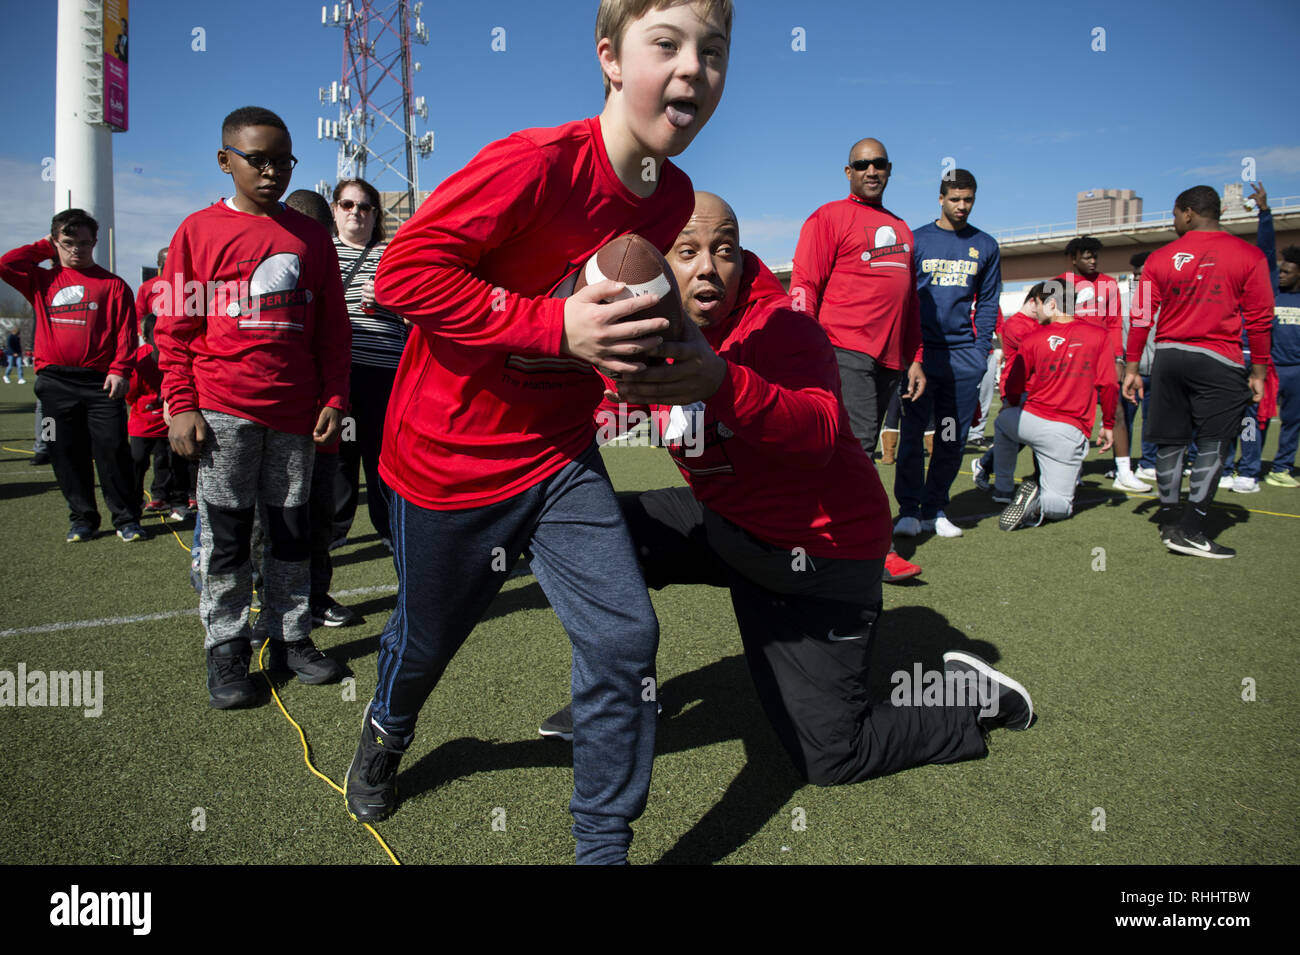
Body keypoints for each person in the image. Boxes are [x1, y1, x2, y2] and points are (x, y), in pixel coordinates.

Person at [342, 0, 731, 866]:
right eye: (665, 43)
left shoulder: (671, 199)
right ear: (610, 58)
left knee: (627, 636)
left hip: (559, 457)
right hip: (444, 462)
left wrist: (653, 354)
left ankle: (602, 849)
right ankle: (387, 727)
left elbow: (612, 314)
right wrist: (557, 330)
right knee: (426, 641)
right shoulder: (535, 163)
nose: (692, 68)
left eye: (712, 50)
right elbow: (404, 273)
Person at [537, 192, 1033, 783]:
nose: (707, 267)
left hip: (819, 555)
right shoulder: (649, 329)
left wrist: (723, 381)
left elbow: (821, 431)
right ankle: (621, 692)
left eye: (723, 250)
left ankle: (971, 697)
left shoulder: (784, 328)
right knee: (574, 529)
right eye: (686, 250)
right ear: (656, 264)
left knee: (832, 756)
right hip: (726, 521)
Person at [157, 106, 351, 707]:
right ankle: (227, 647)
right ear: (225, 161)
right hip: (222, 411)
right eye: (257, 160)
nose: (271, 171)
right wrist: (180, 402)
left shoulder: (312, 236)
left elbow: (333, 332)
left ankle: (291, 633)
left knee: (292, 531)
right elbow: (174, 327)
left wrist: (335, 397)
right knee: (228, 533)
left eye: (283, 161)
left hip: (295, 414)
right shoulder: (197, 231)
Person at [791, 138, 923, 581]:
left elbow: (911, 303)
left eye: (879, 163)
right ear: (848, 172)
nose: (871, 170)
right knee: (862, 451)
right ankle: (873, 550)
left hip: (890, 359)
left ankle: (818, 531)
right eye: (861, 164)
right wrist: (802, 344)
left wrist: (915, 357)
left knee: (843, 451)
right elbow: (805, 282)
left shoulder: (902, 229)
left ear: (889, 170)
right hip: (844, 348)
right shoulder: (829, 216)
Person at [1123, 185, 1273, 559]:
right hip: (1218, 361)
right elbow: (1259, 318)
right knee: (1212, 445)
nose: (1174, 222)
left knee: (1171, 442)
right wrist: (1259, 371)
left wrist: (1130, 367)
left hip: (1169, 359)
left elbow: (1141, 316)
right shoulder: (1249, 255)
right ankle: (1190, 529)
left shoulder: (1159, 258)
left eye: (1175, 215)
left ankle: (1172, 522)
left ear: (1188, 212)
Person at [1, 209, 144, 542]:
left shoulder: (113, 285)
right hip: (53, 386)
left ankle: (126, 518)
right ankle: (82, 519)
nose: (77, 249)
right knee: (59, 449)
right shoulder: (41, 280)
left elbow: (125, 333)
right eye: (68, 242)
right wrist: (43, 248)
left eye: (83, 242)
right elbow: (5, 264)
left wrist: (120, 370)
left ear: (94, 242)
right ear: (56, 243)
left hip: (100, 387)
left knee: (113, 451)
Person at [895, 168, 1000, 539]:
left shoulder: (985, 245)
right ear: (940, 199)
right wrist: (909, 353)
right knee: (911, 434)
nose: (961, 206)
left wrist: (980, 350)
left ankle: (935, 506)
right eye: (954, 199)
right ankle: (908, 509)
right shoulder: (917, 240)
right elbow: (904, 298)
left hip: (963, 360)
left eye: (968, 199)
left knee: (950, 437)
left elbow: (988, 302)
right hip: (921, 358)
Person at [283, 187, 355, 627]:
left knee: (318, 512)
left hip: (320, 415)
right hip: (272, 414)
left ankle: (317, 595)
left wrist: (335, 399)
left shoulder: (328, 274)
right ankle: (270, 603)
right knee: (272, 518)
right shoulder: (271, 268)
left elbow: (337, 343)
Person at [994, 279, 1116, 530]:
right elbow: (1110, 385)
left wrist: (1010, 405)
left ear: (1051, 303)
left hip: (1029, 421)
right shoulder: (1099, 335)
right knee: (1060, 506)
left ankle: (1004, 489)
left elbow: (1015, 382)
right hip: (1067, 432)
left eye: (1037, 304)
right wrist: (1109, 423)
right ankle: (1038, 502)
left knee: (1002, 422)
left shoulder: (1032, 338)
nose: (1035, 310)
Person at [327, 177, 407, 553]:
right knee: (339, 456)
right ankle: (335, 528)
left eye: (364, 206)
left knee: (381, 456)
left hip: (384, 374)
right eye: (347, 205)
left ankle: (389, 528)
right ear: (335, 210)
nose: (355, 212)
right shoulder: (320, 252)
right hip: (337, 374)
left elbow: (418, 315)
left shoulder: (394, 255)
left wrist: (392, 300)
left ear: (376, 214)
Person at [1058, 236, 1150, 492]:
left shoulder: (1108, 284)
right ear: (1074, 258)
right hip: (1072, 363)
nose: (1092, 261)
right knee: (1074, 418)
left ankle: (1123, 471)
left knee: (1117, 412)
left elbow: (1113, 325)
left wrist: (1118, 358)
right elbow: (1055, 325)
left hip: (1103, 361)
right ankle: (1071, 472)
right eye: (1086, 256)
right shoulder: (1059, 284)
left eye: (1095, 256)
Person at [972, 283, 1048, 500]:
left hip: (1035, 389)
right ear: (1033, 301)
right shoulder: (1017, 325)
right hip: (1018, 387)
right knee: (1016, 438)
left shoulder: (1036, 323)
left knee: (1027, 437)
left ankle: (992, 469)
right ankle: (988, 468)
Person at [127, 313, 190, 521]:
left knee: (166, 462)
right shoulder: (148, 358)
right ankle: (164, 502)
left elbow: (131, 391)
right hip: (152, 422)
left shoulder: (163, 356)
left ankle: (173, 502)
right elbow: (131, 393)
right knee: (149, 462)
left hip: (157, 422)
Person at [1124, 252, 1161, 482]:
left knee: (1153, 421)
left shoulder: (1164, 302)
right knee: (1124, 421)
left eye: (1144, 273)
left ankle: (1148, 463)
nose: (1139, 278)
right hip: (1130, 372)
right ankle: (1123, 464)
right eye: (1137, 274)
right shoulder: (1124, 301)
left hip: (1157, 372)